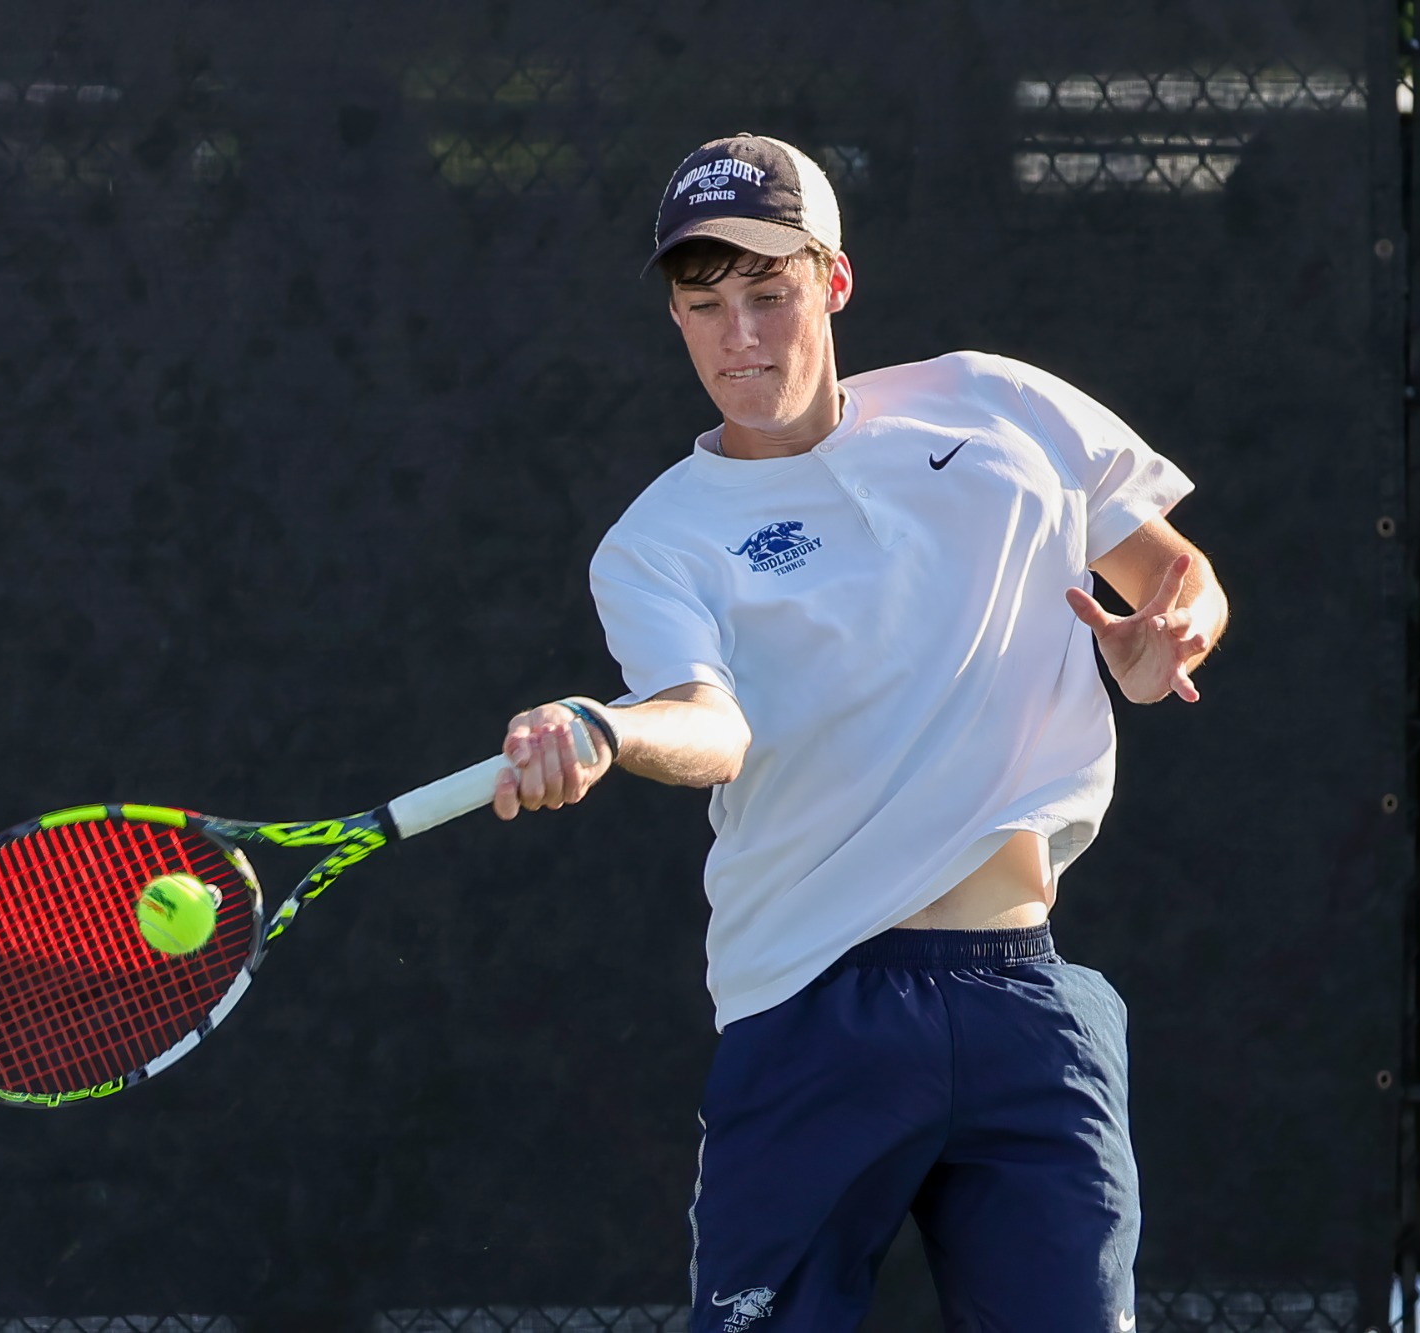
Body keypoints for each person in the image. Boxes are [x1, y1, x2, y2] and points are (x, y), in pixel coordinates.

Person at [490, 133, 1228, 1333]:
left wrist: (1169, 632)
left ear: (832, 281)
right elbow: (708, 725)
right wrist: (608, 731)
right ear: (676, 316)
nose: (740, 337)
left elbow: (1177, 573)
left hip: (1026, 1005)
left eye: (768, 296)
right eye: (705, 303)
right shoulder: (656, 541)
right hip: (809, 1012)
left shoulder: (996, 405)